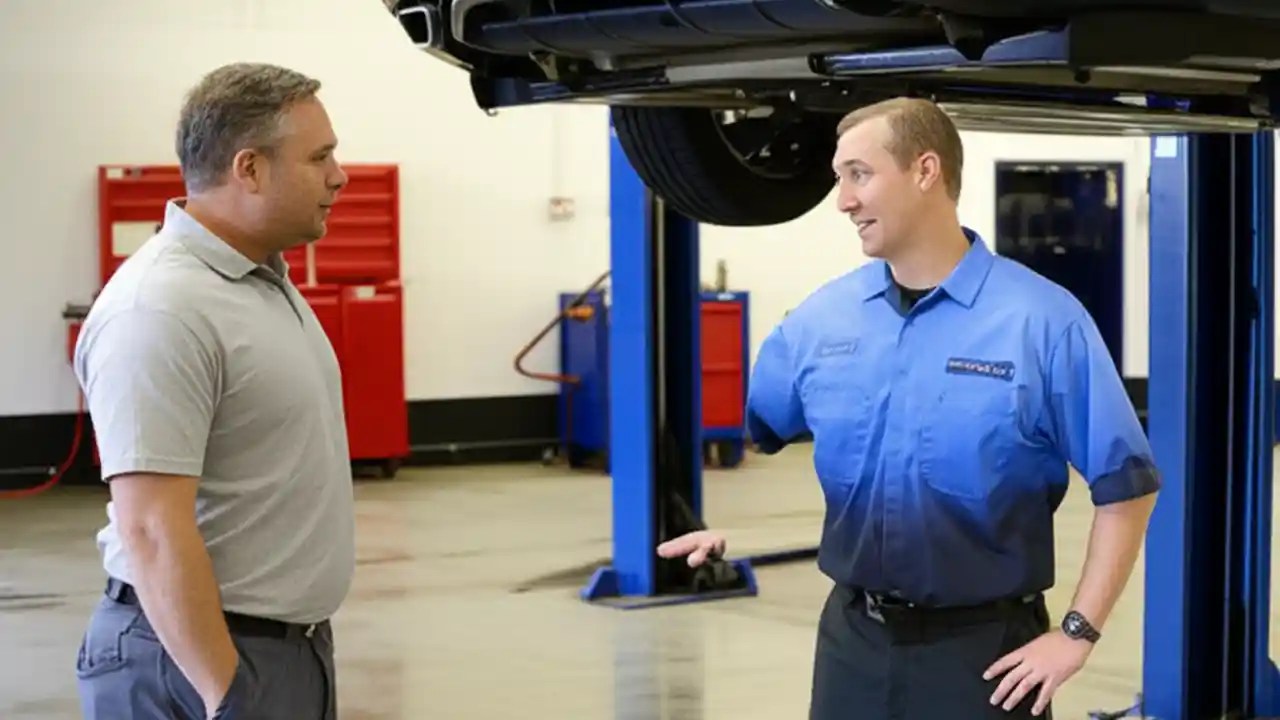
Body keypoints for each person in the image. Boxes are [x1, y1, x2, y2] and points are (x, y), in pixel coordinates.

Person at [658, 97, 1160, 719]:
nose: (842, 200)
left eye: (859, 175)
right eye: (839, 178)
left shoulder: (1042, 322)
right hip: (851, 646)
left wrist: (1077, 634)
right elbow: (760, 429)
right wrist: (726, 523)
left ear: (926, 171)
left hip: (986, 659)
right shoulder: (821, 321)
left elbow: (1127, 487)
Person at [72, 62, 353, 719]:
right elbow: (149, 527)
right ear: (248, 169)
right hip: (195, 657)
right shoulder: (162, 308)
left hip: (280, 650)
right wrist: (226, 691)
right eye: (320, 157)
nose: (339, 176)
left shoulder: (260, 280)